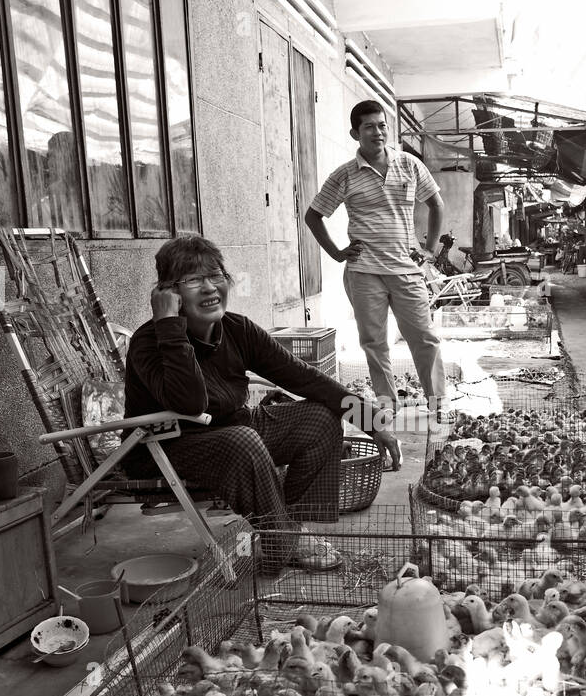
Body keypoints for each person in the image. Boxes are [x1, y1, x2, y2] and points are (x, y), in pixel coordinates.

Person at [123, 236, 400, 562]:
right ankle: (281, 540)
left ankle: (291, 530)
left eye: (216, 276)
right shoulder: (150, 341)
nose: (210, 288)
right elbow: (189, 404)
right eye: (194, 280)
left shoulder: (236, 329)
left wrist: (369, 419)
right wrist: (169, 325)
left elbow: (305, 378)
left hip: (233, 430)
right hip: (167, 445)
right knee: (242, 440)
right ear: (169, 293)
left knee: (320, 419)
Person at [304, 101, 450, 443]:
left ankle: (438, 402)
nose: (378, 131)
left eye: (382, 125)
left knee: (424, 337)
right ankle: (388, 406)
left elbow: (436, 204)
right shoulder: (344, 174)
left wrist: (429, 250)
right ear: (356, 133)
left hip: (406, 270)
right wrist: (337, 253)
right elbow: (313, 216)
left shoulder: (409, 165)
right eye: (369, 126)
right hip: (364, 272)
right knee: (374, 344)